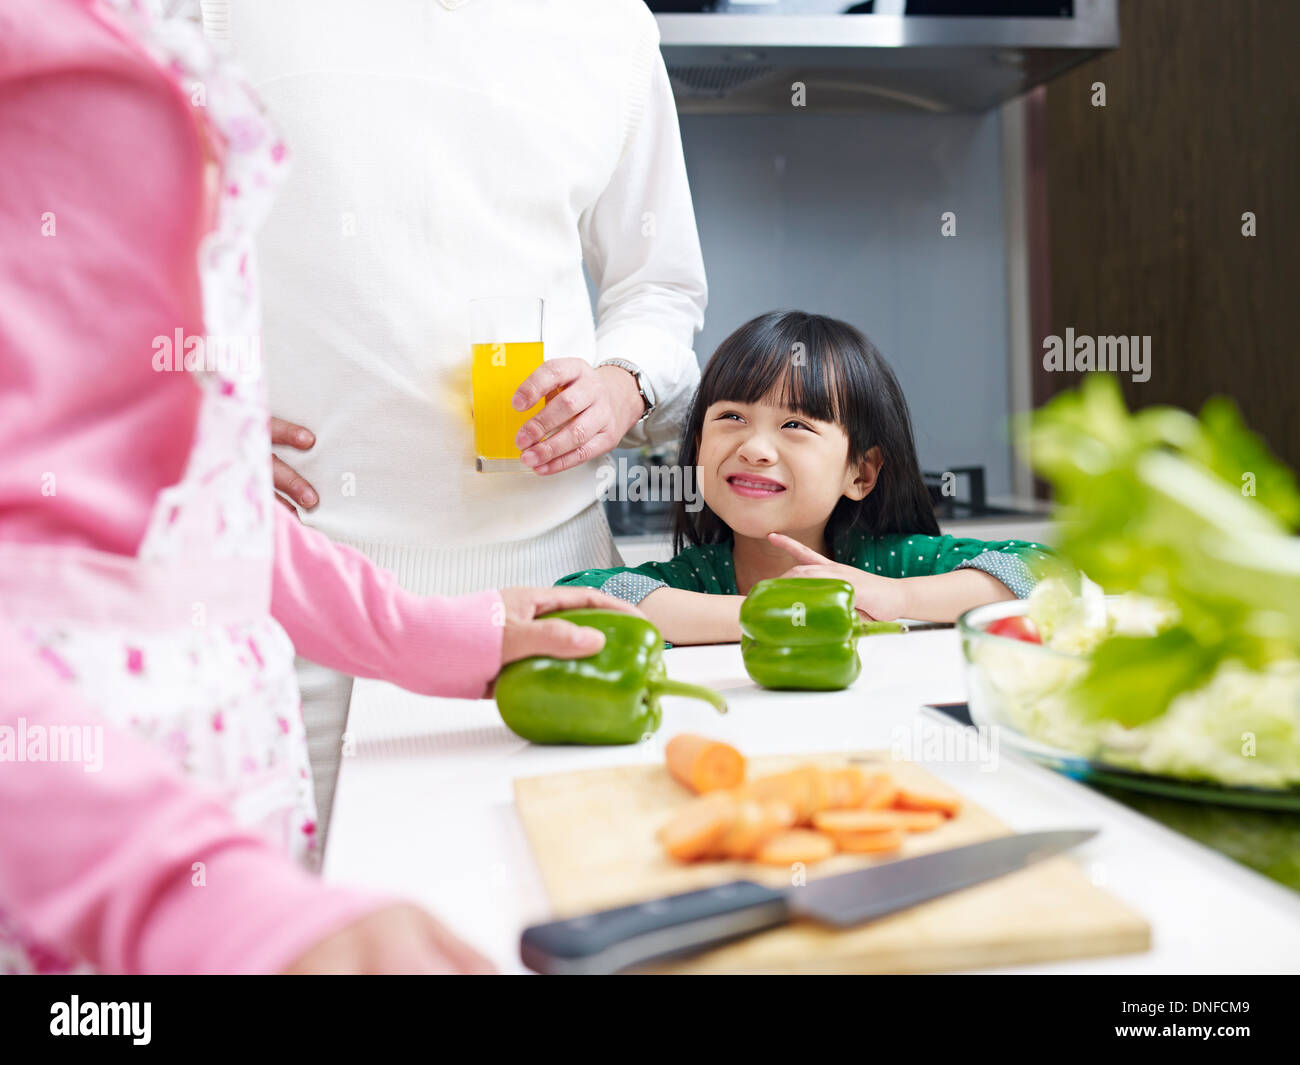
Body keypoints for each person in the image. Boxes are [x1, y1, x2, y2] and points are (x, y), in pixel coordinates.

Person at [0, 0, 632, 974]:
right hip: (74, 903)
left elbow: (201, 528)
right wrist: (203, 906)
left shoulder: (140, 42)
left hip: (220, 853)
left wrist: (432, 632)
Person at [199, 0, 708, 852]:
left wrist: (622, 384)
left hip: (562, 595)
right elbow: (114, 254)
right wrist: (186, 410)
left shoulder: (610, 24)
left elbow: (659, 288)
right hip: (295, 607)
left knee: (563, 895)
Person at [557, 312, 1065, 644]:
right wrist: (777, 616)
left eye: (795, 425)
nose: (754, 449)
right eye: (731, 418)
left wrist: (897, 599)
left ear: (861, 473)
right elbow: (581, 603)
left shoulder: (891, 566)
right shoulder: (698, 579)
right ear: (695, 452)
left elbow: (1048, 575)